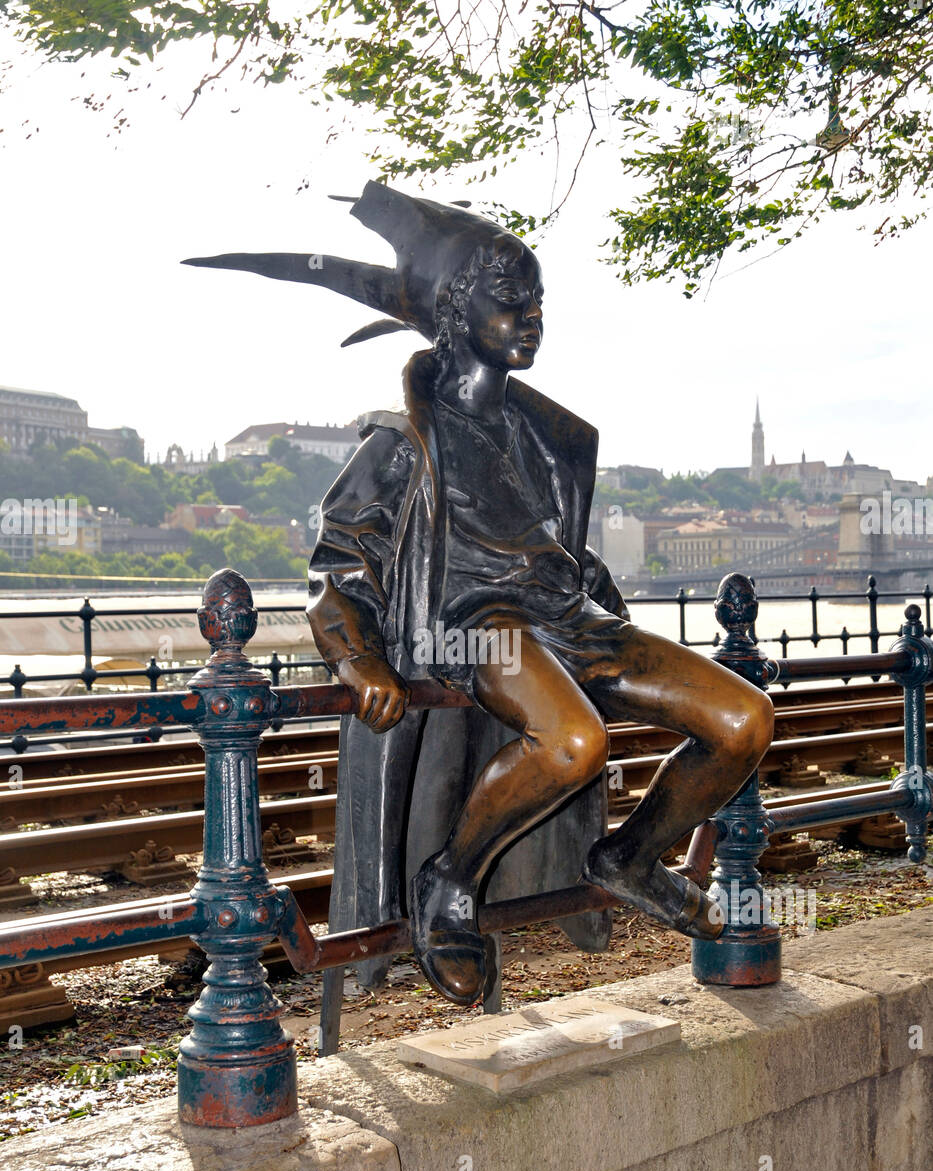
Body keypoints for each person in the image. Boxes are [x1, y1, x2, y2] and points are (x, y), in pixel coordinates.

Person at [184, 183, 774, 1008]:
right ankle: (449, 884)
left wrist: (599, 601)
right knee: (571, 743)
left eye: (537, 301)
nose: (532, 317)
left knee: (742, 718)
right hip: (473, 629)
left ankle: (633, 857)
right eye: (509, 300)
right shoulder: (402, 440)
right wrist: (357, 659)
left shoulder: (543, 437)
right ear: (456, 313)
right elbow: (339, 563)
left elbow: (555, 548)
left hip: (568, 618)